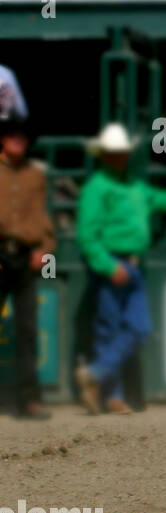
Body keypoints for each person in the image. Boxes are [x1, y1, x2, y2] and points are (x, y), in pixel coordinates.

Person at [75, 123, 166, 415]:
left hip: (130, 264)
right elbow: (87, 236)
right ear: (103, 155)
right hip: (113, 264)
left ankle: (96, 376)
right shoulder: (97, 189)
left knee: (134, 328)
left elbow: (162, 200)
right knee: (114, 330)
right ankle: (111, 396)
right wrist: (108, 265)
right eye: (113, 153)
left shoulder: (135, 187)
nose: (119, 157)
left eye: (121, 152)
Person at [0, 112, 55, 420]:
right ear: (3, 139)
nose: (18, 140)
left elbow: (43, 219)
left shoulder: (35, 175)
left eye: (22, 136)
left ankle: (29, 400)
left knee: (27, 330)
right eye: (12, 135)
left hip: (24, 258)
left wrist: (44, 249)